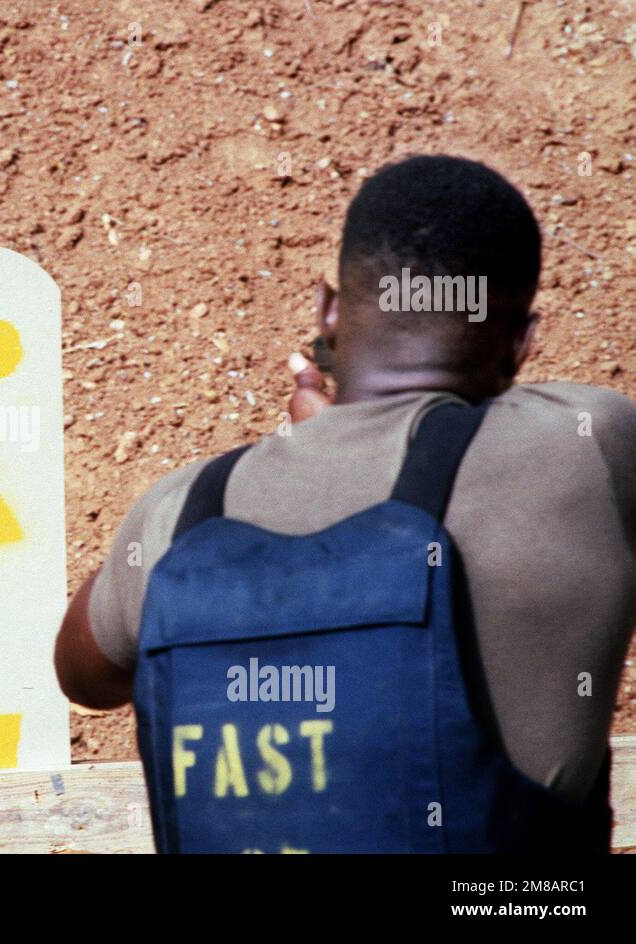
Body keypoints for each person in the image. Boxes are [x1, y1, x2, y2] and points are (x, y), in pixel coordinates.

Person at [54, 154, 636, 852]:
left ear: (328, 310)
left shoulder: (180, 511)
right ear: (521, 343)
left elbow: (82, 673)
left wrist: (325, 444)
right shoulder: (589, 448)